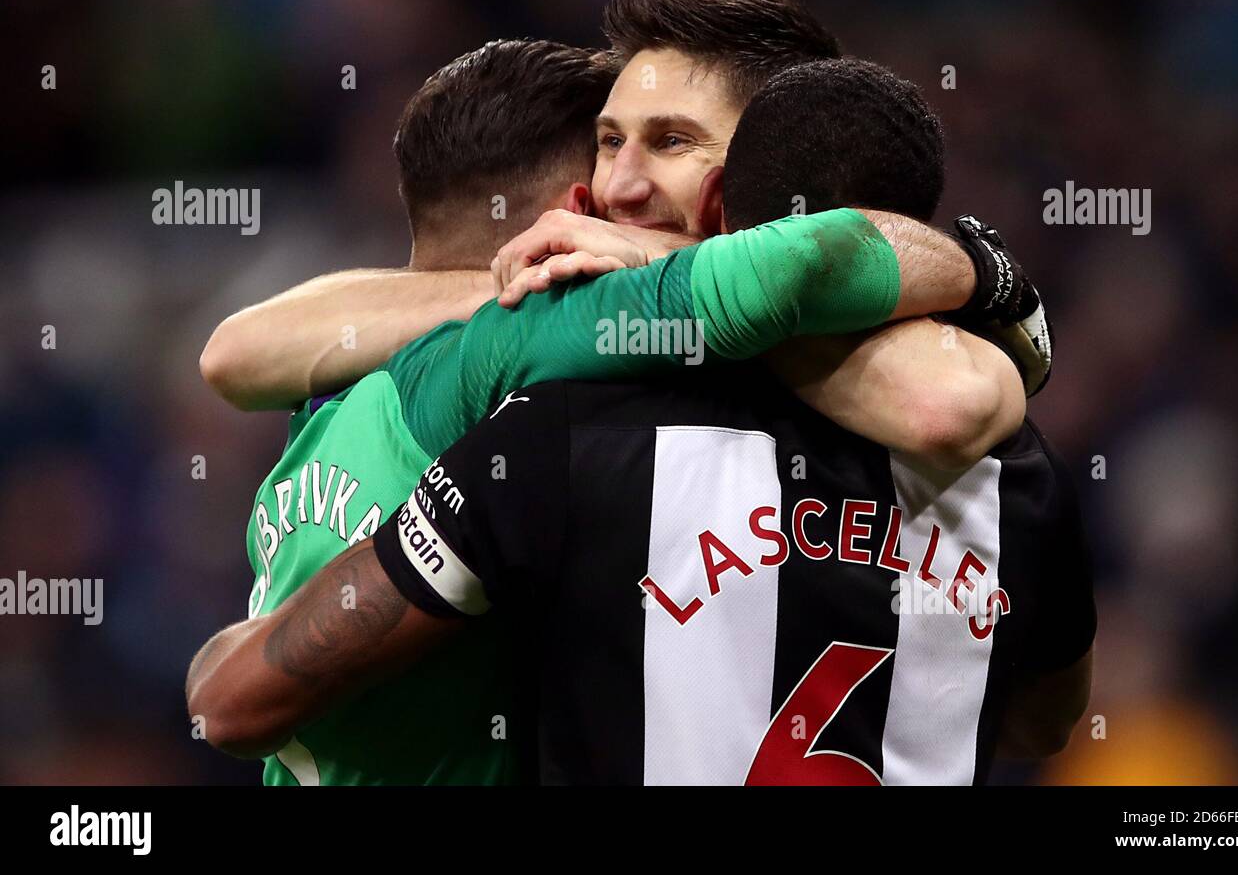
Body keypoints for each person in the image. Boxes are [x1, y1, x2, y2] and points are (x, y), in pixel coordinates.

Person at [188, 57, 1085, 785]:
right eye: (611, 142)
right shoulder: (1025, 477)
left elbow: (234, 699)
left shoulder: (557, 434)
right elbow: (1038, 720)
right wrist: (991, 275)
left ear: (728, 202)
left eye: (668, 142)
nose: (622, 184)